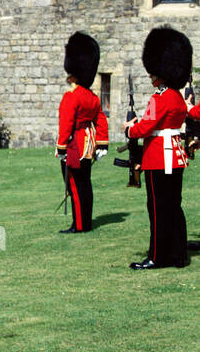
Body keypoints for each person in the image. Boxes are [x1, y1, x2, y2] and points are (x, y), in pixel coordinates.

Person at [125, 27, 192, 269]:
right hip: (175, 156)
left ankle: (158, 256)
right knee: (174, 206)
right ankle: (178, 254)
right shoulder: (176, 97)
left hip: (158, 157)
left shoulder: (160, 97)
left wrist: (128, 129)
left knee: (157, 208)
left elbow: (144, 128)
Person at [56, 32, 109, 233]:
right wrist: (102, 143)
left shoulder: (72, 96)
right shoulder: (92, 96)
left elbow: (66, 124)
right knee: (85, 183)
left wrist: (61, 147)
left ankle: (79, 225)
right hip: (88, 144)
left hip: (74, 145)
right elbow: (101, 119)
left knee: (75, 185)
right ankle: (85, 221)